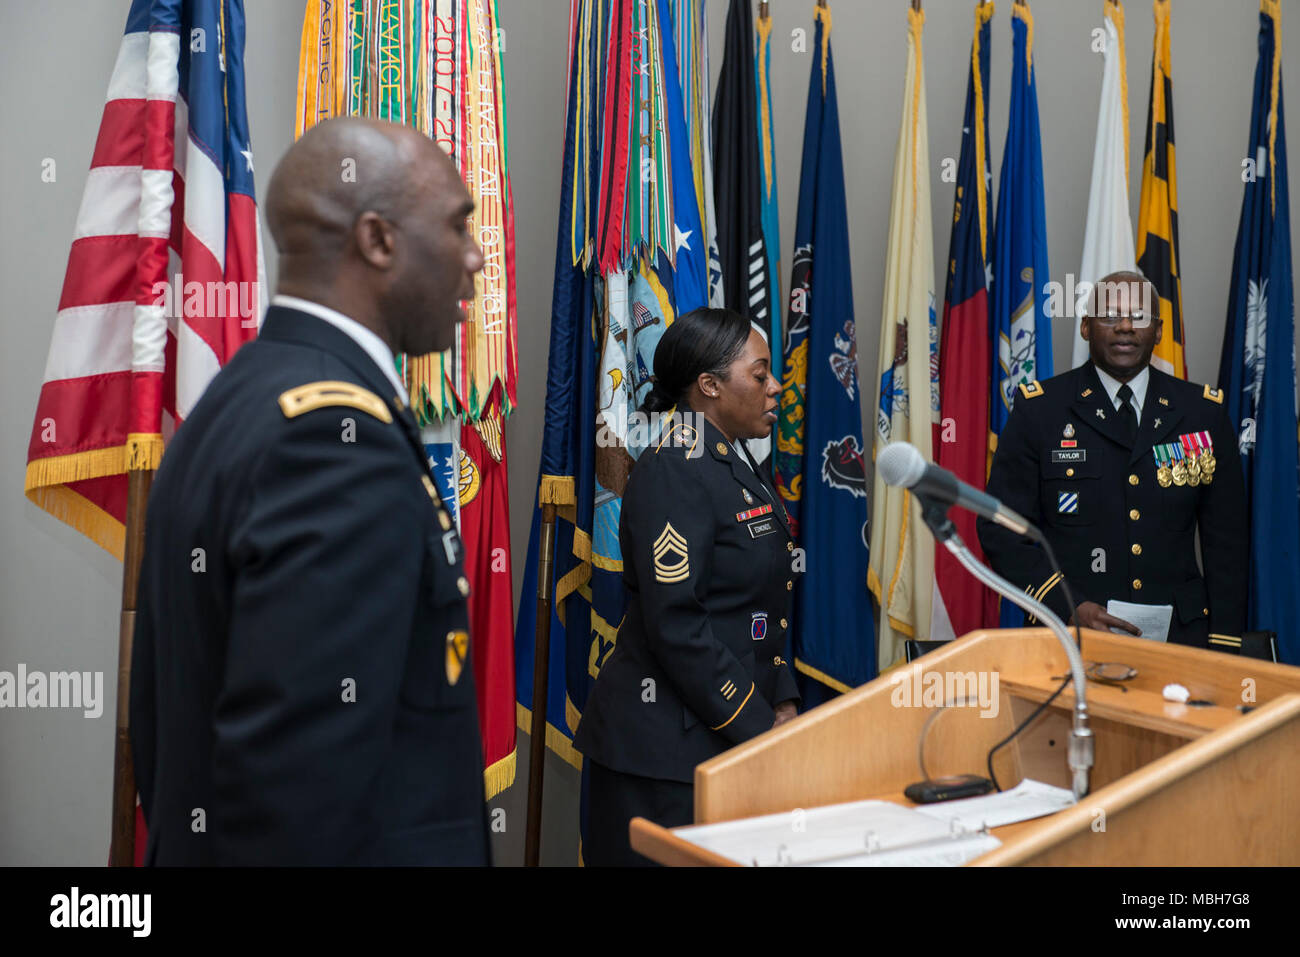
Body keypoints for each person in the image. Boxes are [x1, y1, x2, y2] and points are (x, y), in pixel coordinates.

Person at [129, 117, 490, 865]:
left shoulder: (239, 398)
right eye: (459, 226)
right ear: (378, 240)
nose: (478, 258)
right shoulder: (331, 441)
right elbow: (294, 802)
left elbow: (169, 735)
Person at [573, 308, 801, 866]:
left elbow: (762, 609)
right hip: (661, 758)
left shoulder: (731, 461)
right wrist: (756, 723)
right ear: (709, 386)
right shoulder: (676, 468)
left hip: (721, 738)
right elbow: (677, 621)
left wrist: (786, 699)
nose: (776, 387)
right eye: (760, 374)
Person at [977, 270, 1247, 647]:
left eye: (1138, 317)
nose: (1125, 327)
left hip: (1182, 643)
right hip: (1071, 639)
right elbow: (999, 528)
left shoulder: (1202, 413)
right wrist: (1066, 605)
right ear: (1086, 327)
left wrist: (1224, 643)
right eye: (1109, 315)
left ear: (1158, 329)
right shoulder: (1041, 411)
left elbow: (1228, 543)